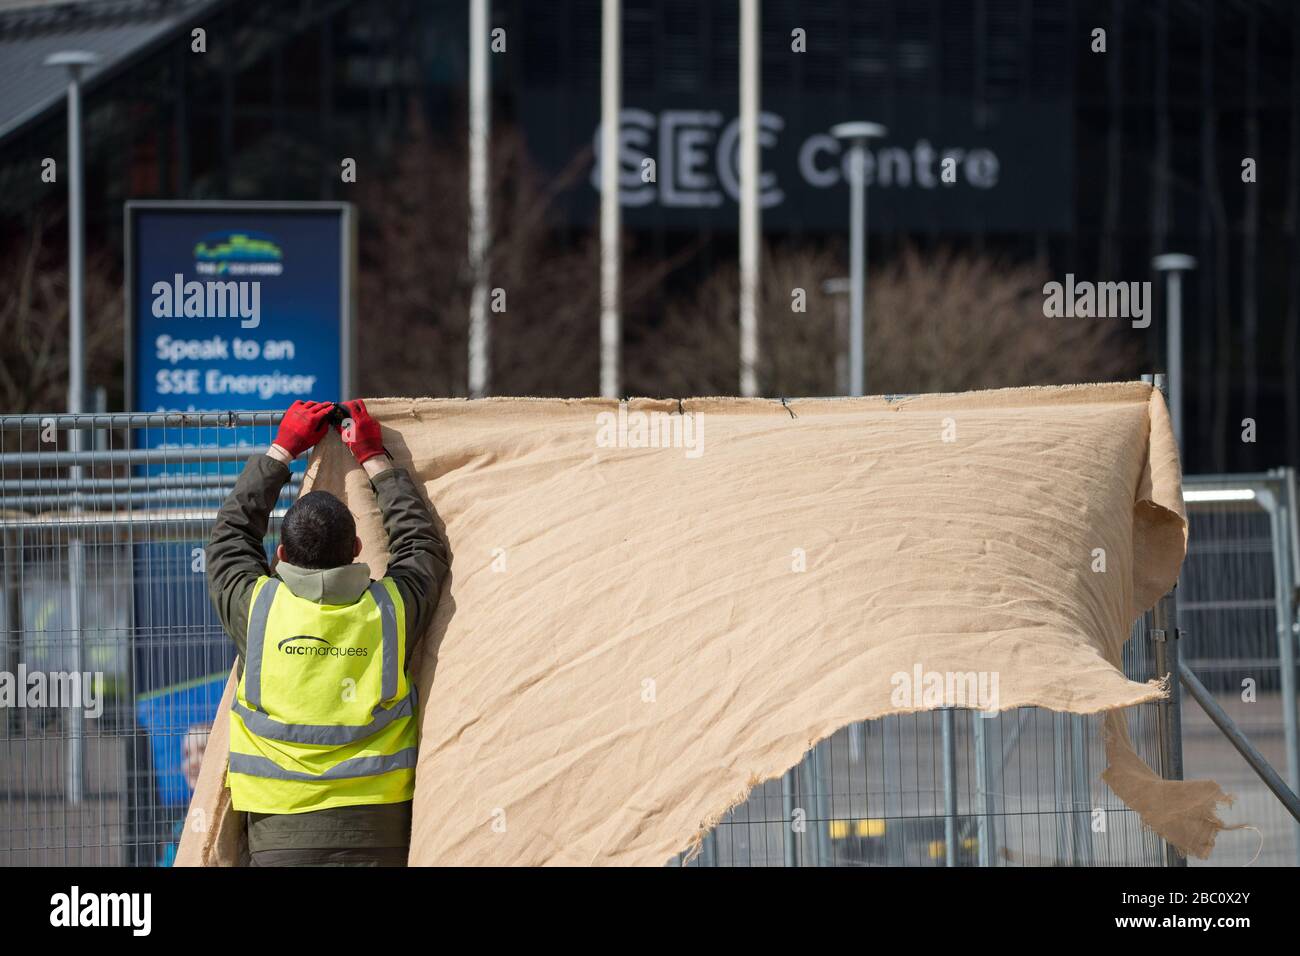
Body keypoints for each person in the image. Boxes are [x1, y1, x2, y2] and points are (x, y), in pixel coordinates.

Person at [206, 399, 448, 866]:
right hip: (380, 835)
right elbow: (420, 544)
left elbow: (230, 535)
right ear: (358, 548)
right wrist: (376, 458)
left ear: (280, 554)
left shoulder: (255, 608)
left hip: (279, 838)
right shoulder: (391, 610)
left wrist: (283, 449)